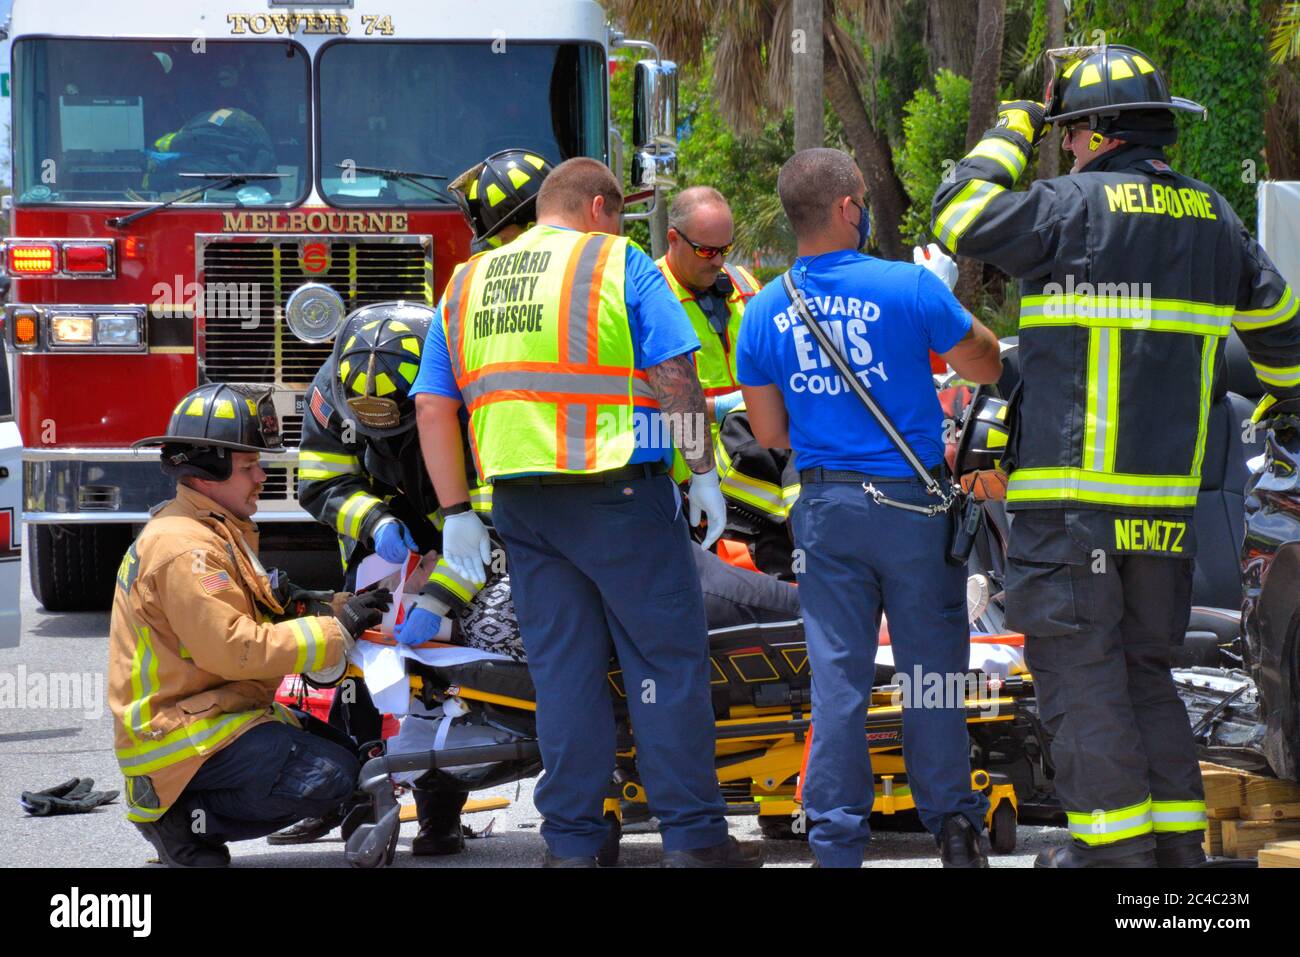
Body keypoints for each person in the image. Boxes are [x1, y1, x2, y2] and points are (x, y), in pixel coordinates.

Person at [930, 44, 1300, 867]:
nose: (1062, 148)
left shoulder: (1066, 209)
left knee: (1082, 682)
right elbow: (1287, 341)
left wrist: (1014, 122)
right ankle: (1175, 868)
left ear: (1093, 132)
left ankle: (1117, 867)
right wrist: (1281, 413)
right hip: (1167, 516)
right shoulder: (1217, 220)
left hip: (1071, 514)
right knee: (1145, 677)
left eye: (1066, 133)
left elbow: (956, 213)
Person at [413, 157, 760, 868]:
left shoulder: (467, 281)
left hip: (522, 507)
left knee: (564, 673)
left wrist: (454, 510)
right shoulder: (617, 261)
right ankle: (694, 838)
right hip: (617, 496)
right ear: (600, 205)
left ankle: (571, 841)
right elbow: (676, 377)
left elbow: (430, 404)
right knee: (664, 663)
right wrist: (702, 473)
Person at [737, 147, 1003, 868]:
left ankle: (834, 839)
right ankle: (953, 825)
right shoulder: (908, 286)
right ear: (849, 206)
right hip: (915, 510)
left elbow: (767, 434)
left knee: (840, 681)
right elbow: (984, 361)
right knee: (931, 677)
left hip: (826, 512)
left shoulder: (762, 310)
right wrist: (946, 310)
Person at [111, 383, 391, 867]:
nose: (261, 476)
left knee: (348, 756)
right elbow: (234, 649)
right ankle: (181, 823)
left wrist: (338, 606)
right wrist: (335, 630)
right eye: (248, 467)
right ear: (208, 471)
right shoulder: (187, 549)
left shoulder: (210, 529)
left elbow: (251, 618)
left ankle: (191, 812)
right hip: (176, 737)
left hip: (212, 713)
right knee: (329, 775)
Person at [270, 302, 488, 856]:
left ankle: (441, 813)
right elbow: (321, 481)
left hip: (462, 529)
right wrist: (375, 520)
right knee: (359, 669)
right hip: (377, 548)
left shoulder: (470, 388)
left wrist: (443, 592)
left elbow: (495, 512)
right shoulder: (332, 386)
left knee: (446, 676)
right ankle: (361, 803)